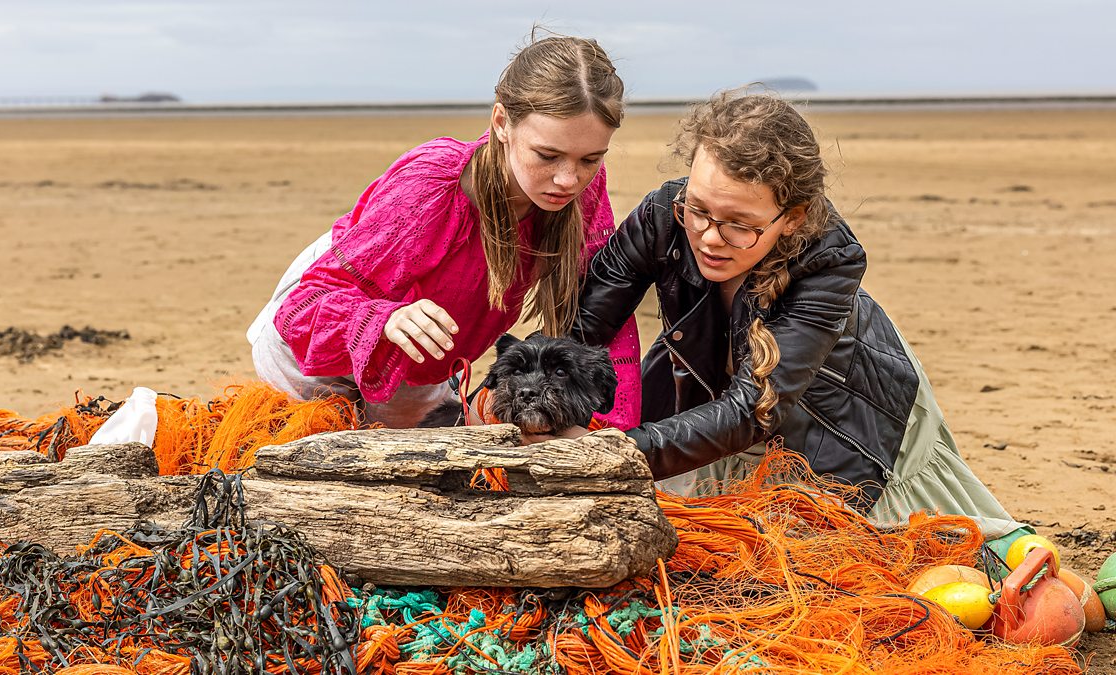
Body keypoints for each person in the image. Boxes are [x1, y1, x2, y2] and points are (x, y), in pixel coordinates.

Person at [570, 90, 1028, 548]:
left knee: (911, 557)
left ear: (792, 218)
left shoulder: (830, 261)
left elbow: (750, 411)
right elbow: (585, 326)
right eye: (698, 209)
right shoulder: (663, 214)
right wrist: (534, 401)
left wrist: (614, 453)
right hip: (712, 410)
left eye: (739, 224)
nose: (708, 237)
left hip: (846, 415)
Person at [247, 35, 641, 431]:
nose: (568, 179)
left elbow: (606, 304)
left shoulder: (582, 190)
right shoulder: (431, 187)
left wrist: (610, 430)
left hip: (419, 365)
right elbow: (299, 310)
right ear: (502, 123)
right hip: (316, 349)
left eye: (590, 159)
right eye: (547, 155)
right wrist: (381, 320)